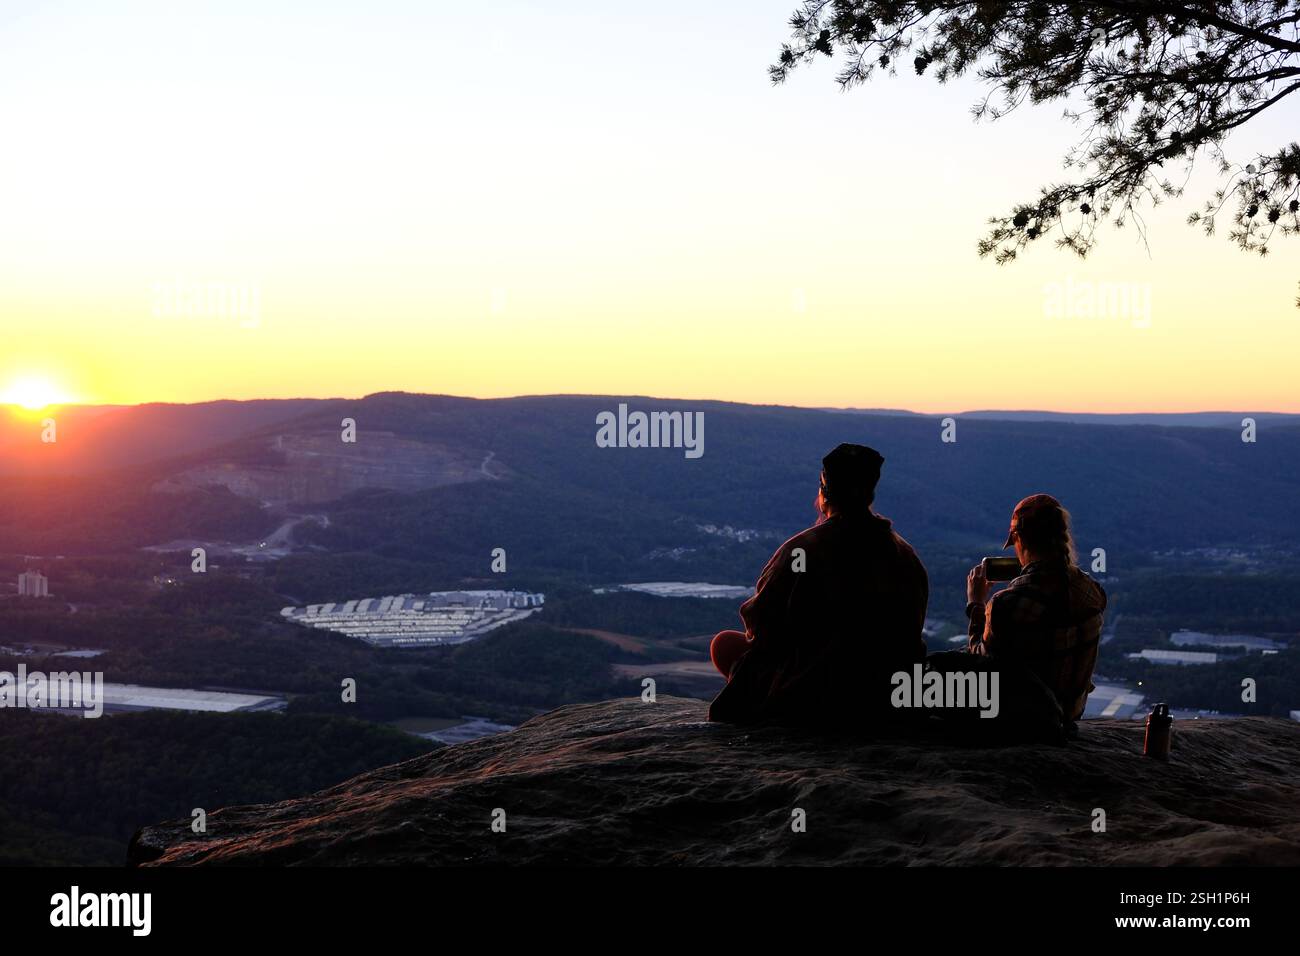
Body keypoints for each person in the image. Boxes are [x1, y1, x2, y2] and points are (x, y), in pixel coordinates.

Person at [708, 443, 929, 726]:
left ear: (824, 493)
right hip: (885, 693)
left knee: (725, 644)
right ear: (870, 494)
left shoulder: (801, 549)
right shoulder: (905, 554)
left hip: (812, 695)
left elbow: (760, 624)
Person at [965, 494, 1107, 725]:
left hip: (1022, 720)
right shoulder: (1093, 591)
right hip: (1069, 713)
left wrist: (976, 604)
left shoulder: (1007, 604)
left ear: (1018, 538)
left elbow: (980, 661)